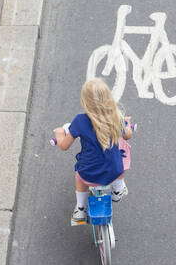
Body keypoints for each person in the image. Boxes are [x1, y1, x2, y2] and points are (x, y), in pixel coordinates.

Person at [52, 78, 133, 226]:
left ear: (85, 102)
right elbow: (127, 135)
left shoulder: (80, 121)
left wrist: (59, 133)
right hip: (114, 172)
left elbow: (64, 146)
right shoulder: (116, 116)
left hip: (89, 174)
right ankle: (117, 190)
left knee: (79, 177)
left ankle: (80, 210)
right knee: (121, 157)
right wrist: (125, 124)